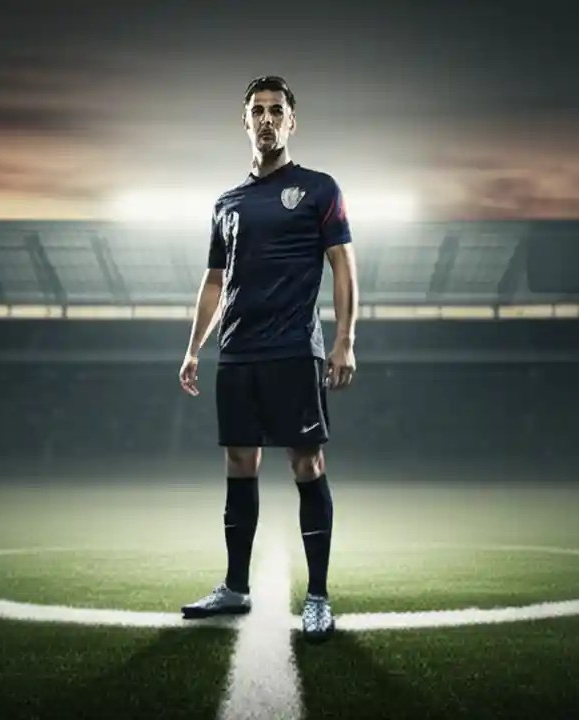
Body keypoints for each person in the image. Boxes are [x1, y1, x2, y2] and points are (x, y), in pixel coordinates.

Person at [177, 75, 359, 643]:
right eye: (257, 110)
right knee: (239, 464)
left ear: (291, 121)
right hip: (237, 354)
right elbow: (214, 280)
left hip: (292, 351)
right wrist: (193, 347)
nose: (266, 119)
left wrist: (345, 339)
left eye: (276, 110)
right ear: (244, 122)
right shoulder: (226, 203)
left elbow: (343, 264)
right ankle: (235, 586)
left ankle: (318, 596)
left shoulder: (319, 189)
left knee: (308, 465)